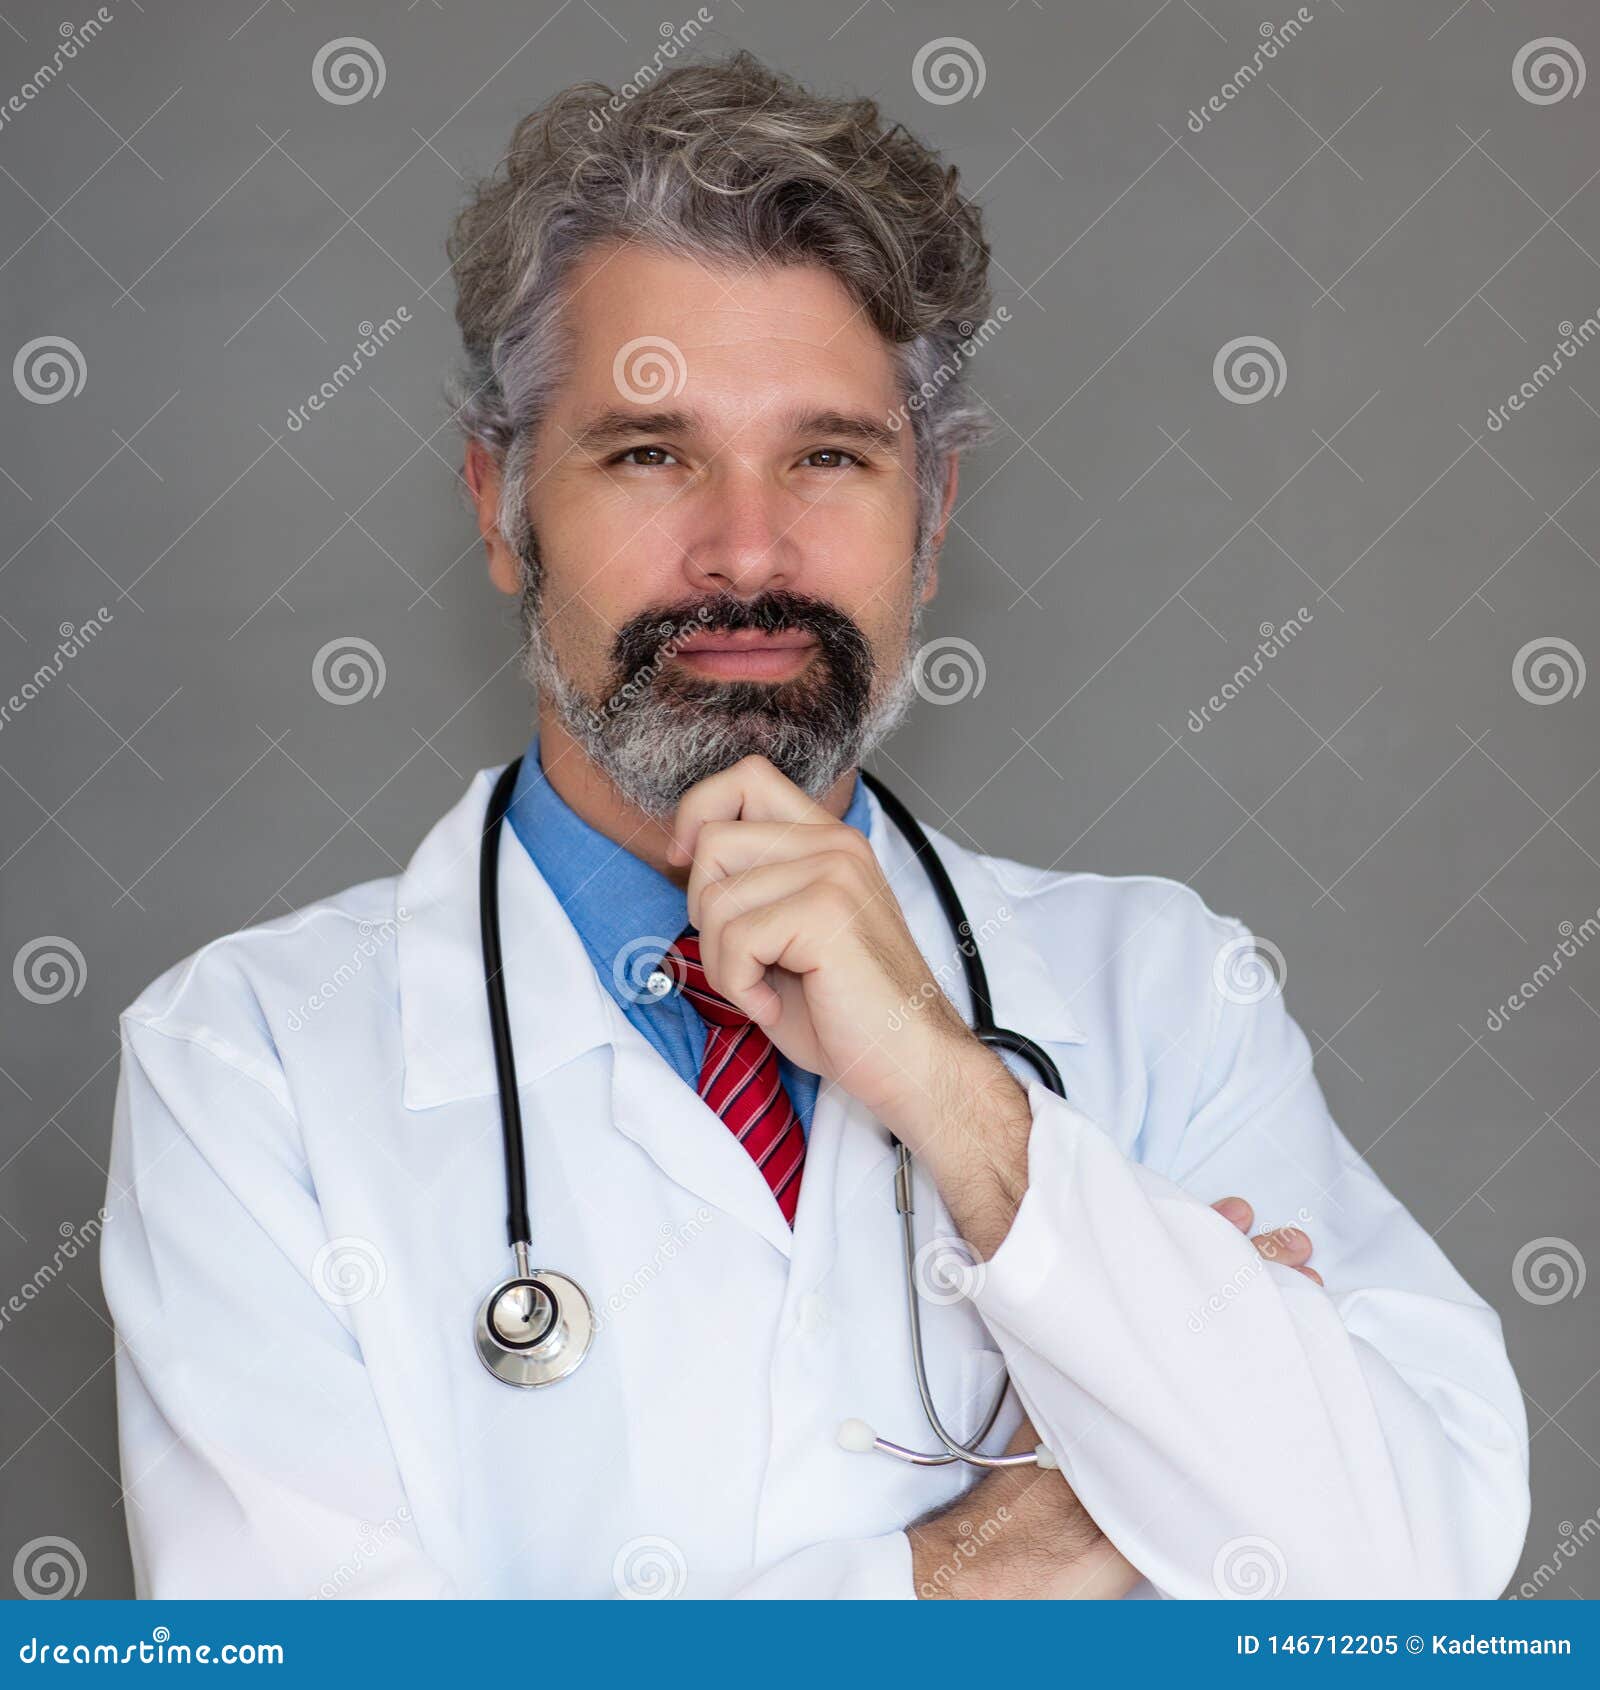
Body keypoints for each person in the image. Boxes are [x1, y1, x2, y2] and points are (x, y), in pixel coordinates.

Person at [100, 51, 1529, 1600]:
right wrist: (974, 1569)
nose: (746, 551)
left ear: (931, 521)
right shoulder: (247, 1066)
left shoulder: (1168, 993)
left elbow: (1407, 1571)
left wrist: (953, 1088)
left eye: (829, 456)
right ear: (497, 504)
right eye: (651, 452)